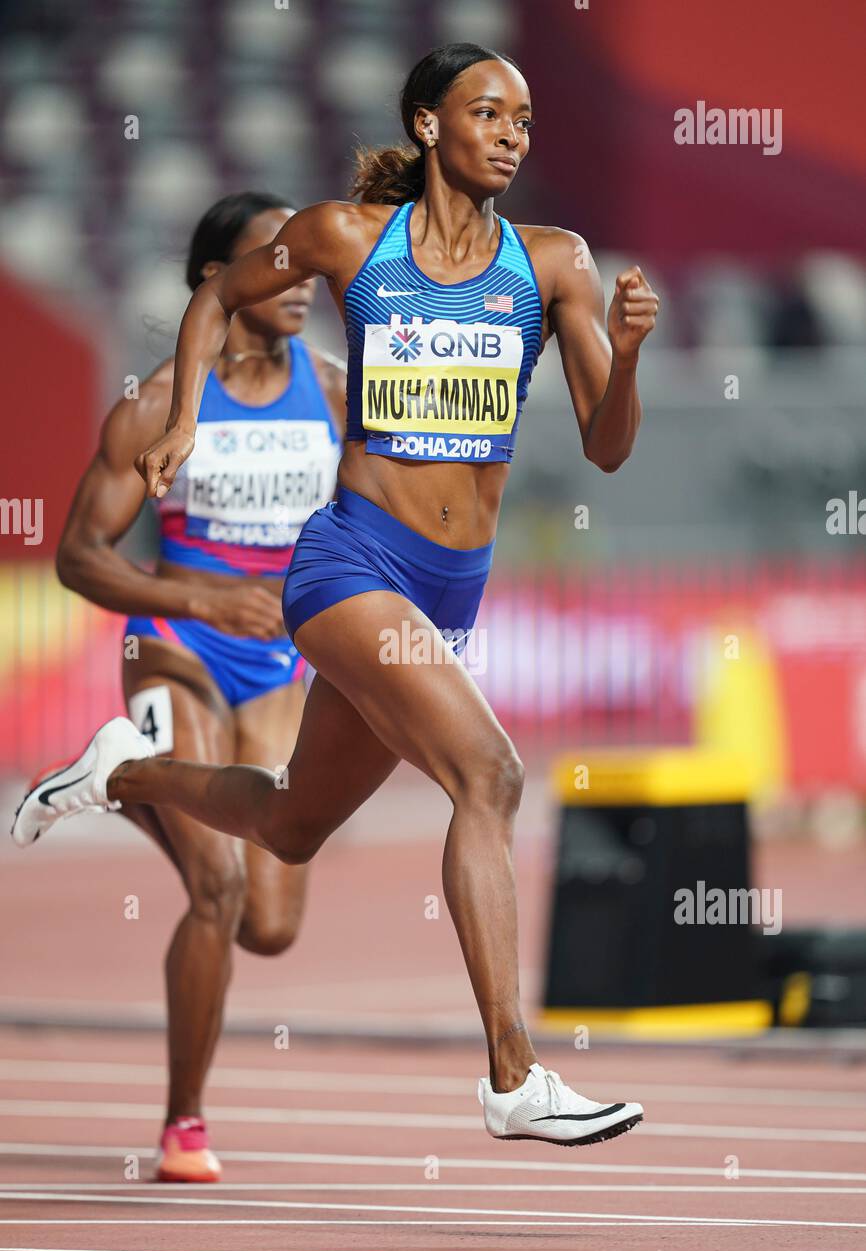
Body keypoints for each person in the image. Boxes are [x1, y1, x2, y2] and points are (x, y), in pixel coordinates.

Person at [15, 44, 659, 1148]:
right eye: (488, 112)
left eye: (525, 118)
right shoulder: (346, 240)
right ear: (424, 125)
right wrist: (177, 422)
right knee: (489, 774)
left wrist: (629, 356)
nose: (513, 132)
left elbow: (606, 450)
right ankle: (513, 1072)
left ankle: (121, 768)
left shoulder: (553, 263)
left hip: (450, 593)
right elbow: (219, 290)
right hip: (350, 564)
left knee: (287, 826)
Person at [49, 192, 345, 1180]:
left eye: (305, 260)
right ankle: (184, 1124)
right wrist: (199, 595)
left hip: (278, 663)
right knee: (216, 886)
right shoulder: (159, 400)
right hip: (175, 639)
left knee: (270, 921)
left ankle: (124, 779)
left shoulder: (336, 392)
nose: (298, 278)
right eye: (275, 259)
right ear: (221, 281)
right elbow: (81, 557)